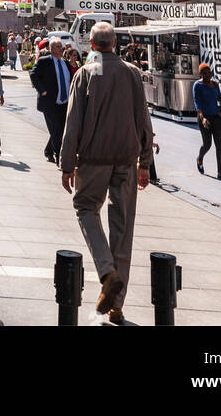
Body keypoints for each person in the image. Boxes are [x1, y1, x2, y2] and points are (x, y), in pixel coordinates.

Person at [60, 20, 153, 325]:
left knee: (86, 208)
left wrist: (67, 164)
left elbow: (73, 122)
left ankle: (106, 270)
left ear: (91, 43)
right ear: (114, 42)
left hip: (94, 158)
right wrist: (145, 163)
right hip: (126, 160)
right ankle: (116, 306)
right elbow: (143, 119)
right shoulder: (131, 73)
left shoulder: (86, 73)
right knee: (123, 228)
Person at [30, 37, 71, 166]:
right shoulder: (44, 61)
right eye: (58, 47)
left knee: (60, 129)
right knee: (56, 131)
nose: (61, 49)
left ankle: (48, 150)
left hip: (64, 102)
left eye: (61, 46)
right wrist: (42, 90)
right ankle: (59, 156)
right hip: (49, 103)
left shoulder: (65, 62)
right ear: (51, 49)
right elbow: (33, 74)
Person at [193, 62, 221, 181]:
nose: (207, 75)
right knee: (207, 144)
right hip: (205, 118)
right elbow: (197, 102)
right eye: (204, 73)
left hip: (217, 118)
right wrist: (203, 118)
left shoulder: (215, 84)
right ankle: (200, 158)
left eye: (209, 73)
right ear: (201, 74)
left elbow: (220, 98)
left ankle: (220, 172)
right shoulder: (197, 85)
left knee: (219, 146)